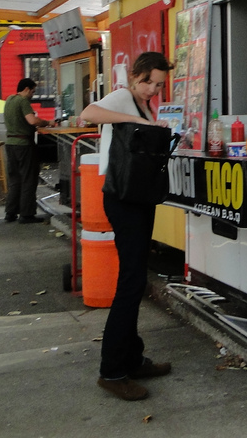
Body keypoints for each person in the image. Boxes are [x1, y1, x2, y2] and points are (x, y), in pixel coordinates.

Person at [80, 51, 174, 401]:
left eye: (159, 85)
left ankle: (132, 358)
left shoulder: (145, 106)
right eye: (148, 82)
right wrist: (135, 120)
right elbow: (88, 114)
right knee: (131, 282)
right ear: (135, 75)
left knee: (135, 280)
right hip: (123, 200)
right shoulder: (123, 97)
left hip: (138, 197)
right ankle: (112, 370)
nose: (152, 89)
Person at [3, 78, 54, 224]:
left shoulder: (9, 100)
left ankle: (10, 212)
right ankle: (26, 214)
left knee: (15, 179)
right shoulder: (23, 101)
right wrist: (48, 122)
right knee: (29, 178)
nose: (33, 95)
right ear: (26, 89)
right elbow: (32, 120)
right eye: (32, 91)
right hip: (24, 144)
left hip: (10, 144)